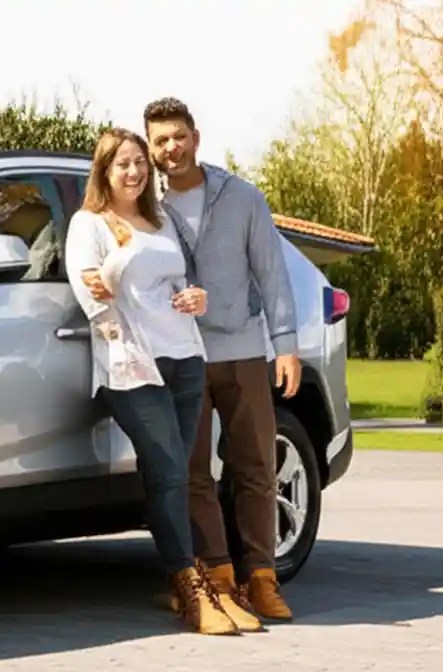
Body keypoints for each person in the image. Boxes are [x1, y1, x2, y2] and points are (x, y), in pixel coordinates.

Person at [65, 127, 240, 636]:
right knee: (166, 471)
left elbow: (176, 284)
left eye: (139, 162)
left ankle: (181, 579)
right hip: (132, 364)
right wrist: (120, 253)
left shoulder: (159, 221)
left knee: (179, 473)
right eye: (122, 163)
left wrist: (196, 299)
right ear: (104, 170)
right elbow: (94, 298)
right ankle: (191, 585)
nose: (135, 171)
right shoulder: (90, 225)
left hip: (185, 355)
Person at [143, 97, 301, 625]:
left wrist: (286, 345)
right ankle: (219, 578)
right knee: (192, 471)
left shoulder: (242, 198)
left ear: (196, 136)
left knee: (255, 464)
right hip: (180, 353)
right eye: (161, 141)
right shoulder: (146, 208)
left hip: (241, 350)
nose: (172, 148)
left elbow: (272, 272)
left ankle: (262, 578)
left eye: (178, 136)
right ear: (151, 148)